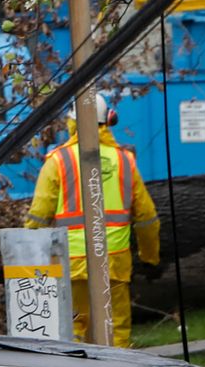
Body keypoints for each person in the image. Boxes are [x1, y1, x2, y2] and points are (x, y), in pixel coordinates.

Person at [25, 93, 160, 346]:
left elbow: (38, 217)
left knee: (74, 323)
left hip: (71, 262)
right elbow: (146, 217)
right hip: (115, 260)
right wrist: (149, 256)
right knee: (116, 327)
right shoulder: (124, 160)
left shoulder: (58, 160)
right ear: (109, 120)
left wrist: (32, 260)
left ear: (72, 123)